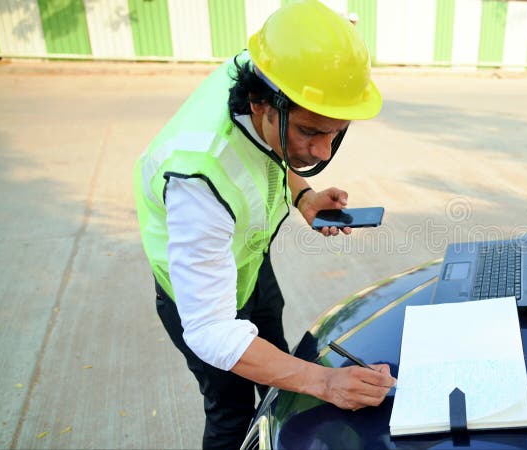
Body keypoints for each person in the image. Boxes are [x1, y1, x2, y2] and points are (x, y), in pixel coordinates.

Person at [132, 1, 396, 448]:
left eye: (335, 132)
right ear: (261, 104)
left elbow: (269, 147)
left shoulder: (273, 67)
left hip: (249, 263)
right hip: (199, 294)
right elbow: (212, 330)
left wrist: (302, 194)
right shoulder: (199, 178)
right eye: (311, 132)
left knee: (277, 361)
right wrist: (325, 384)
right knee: (231, 415)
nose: (324, 153)